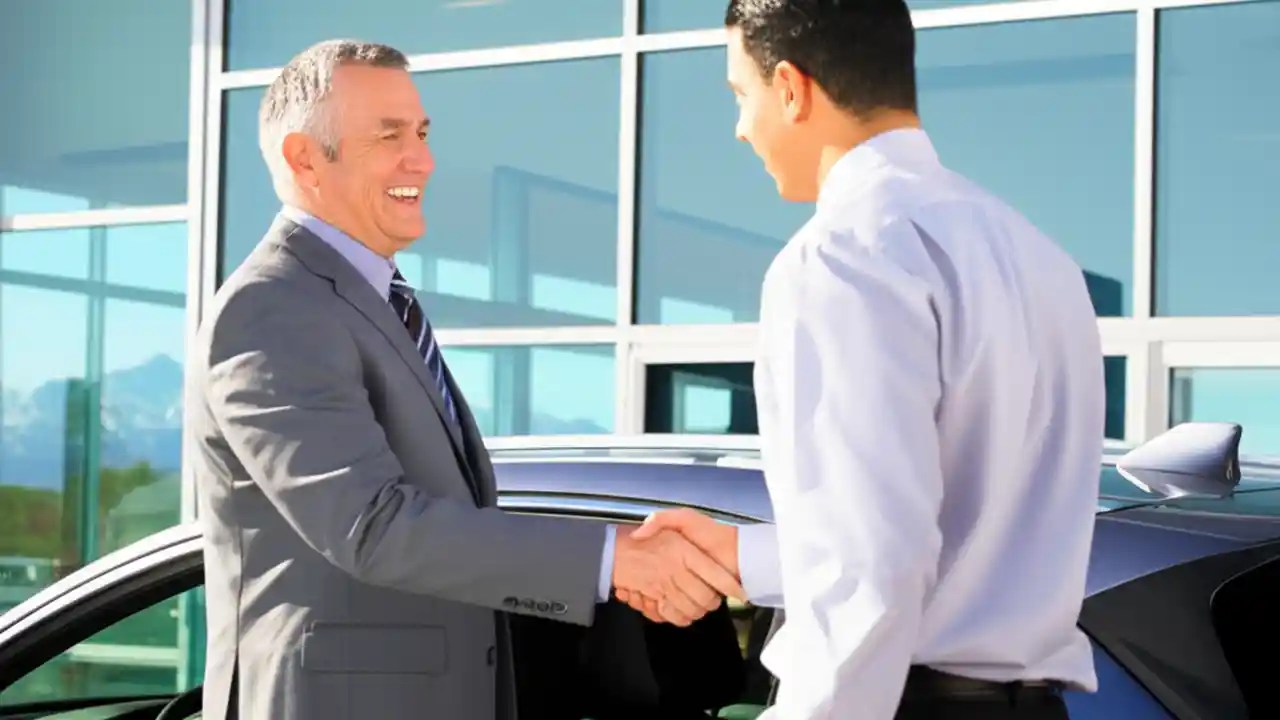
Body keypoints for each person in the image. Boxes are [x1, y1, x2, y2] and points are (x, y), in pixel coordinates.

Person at [185, 39, 744, 720]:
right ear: (306, 157)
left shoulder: (366, 302)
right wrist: (612, 559)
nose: (422, 159)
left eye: (420, 133)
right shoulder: (273, 307)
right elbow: (372, 525)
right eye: (388, 135)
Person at [619, 1, 1105, 718]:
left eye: (740, 95)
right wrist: (745, 558)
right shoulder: (1041, 257)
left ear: (790, 87)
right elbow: (953, 541)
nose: (740, 127)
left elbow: (870, 568)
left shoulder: (841, 256)